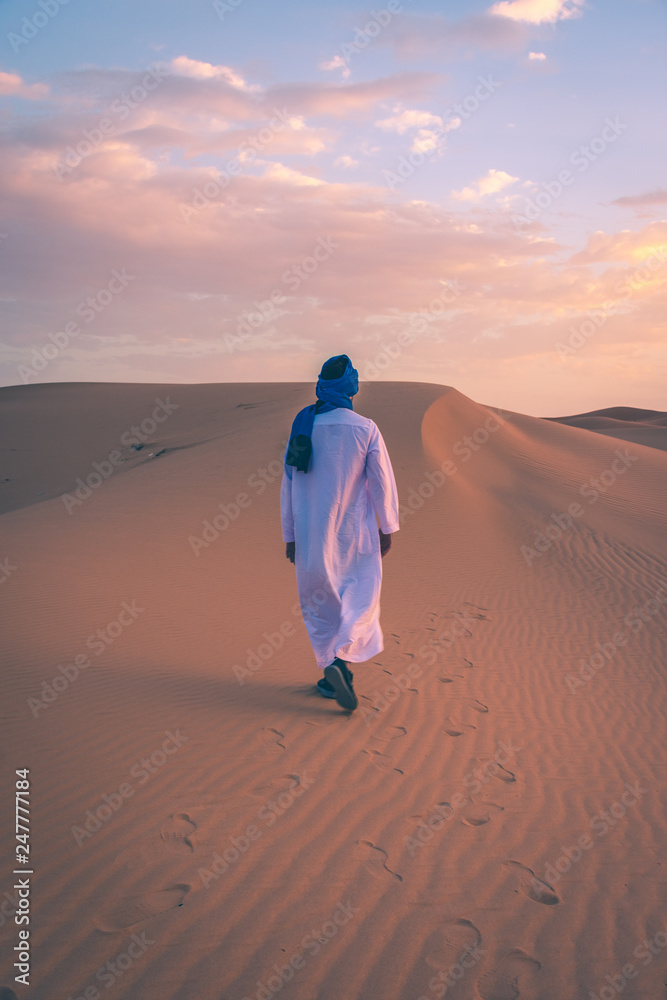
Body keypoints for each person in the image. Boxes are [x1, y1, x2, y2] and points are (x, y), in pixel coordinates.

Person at [280, 354, 400, 711]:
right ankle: (340, 664)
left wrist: (290, 535)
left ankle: (334, 671)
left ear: (321, 385)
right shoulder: (365, 428)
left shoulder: (303, 426)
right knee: (360, 600)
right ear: (352, 386)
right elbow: (382, 482)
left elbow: (288, 484)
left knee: (321, 602)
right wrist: (387, 526)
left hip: (311, 537)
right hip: (356, 535)